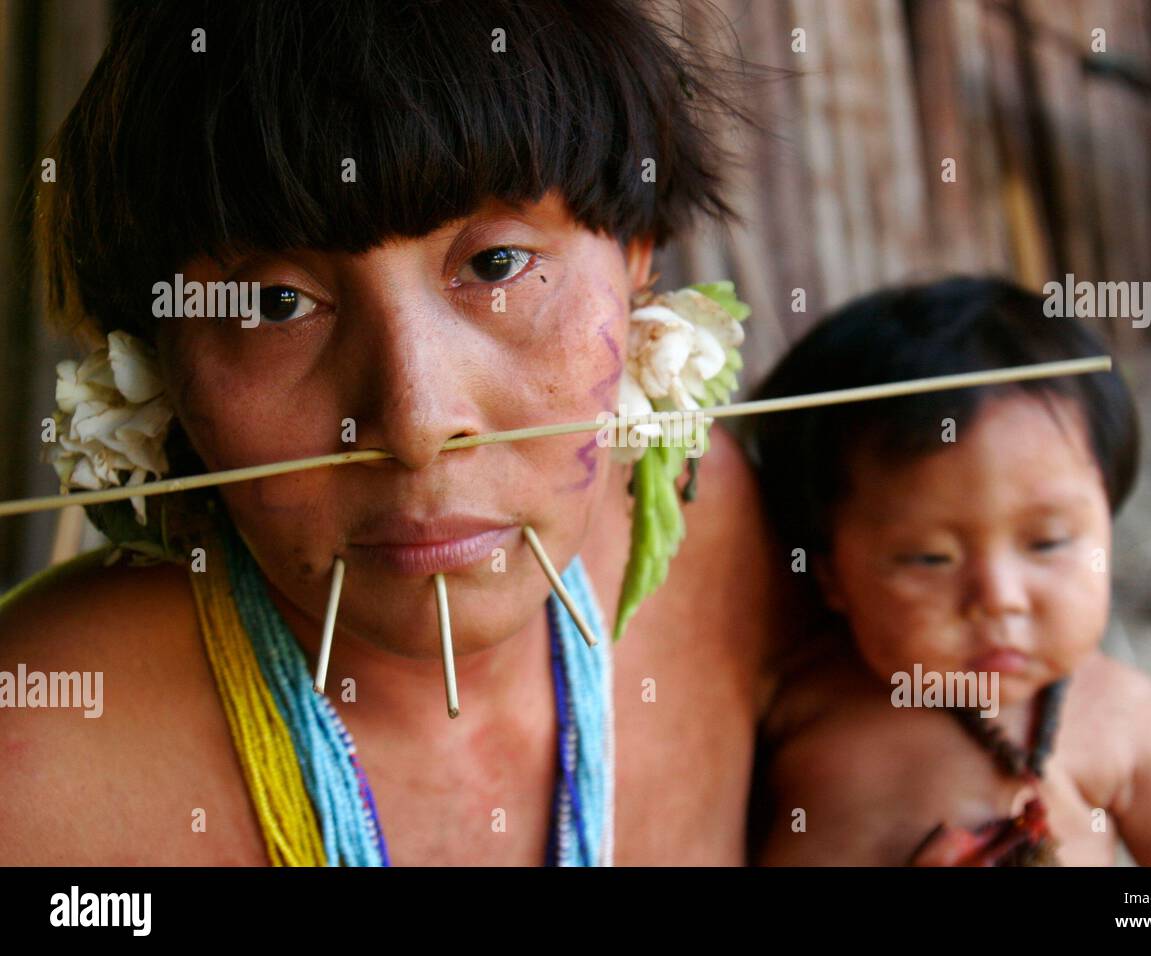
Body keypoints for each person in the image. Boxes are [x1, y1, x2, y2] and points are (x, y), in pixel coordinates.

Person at [0, 0, 785, 866]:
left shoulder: (736, 550)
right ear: (151, 361)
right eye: (276, 303)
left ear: (637, 254)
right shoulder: (33, 771)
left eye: (496, 265)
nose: (415, 425)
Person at [744, 276, 1151, 865]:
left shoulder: (1124, 720)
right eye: (928, 557)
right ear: (829, 576)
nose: (999, 599)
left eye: (1048, 542)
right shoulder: (797, 708)